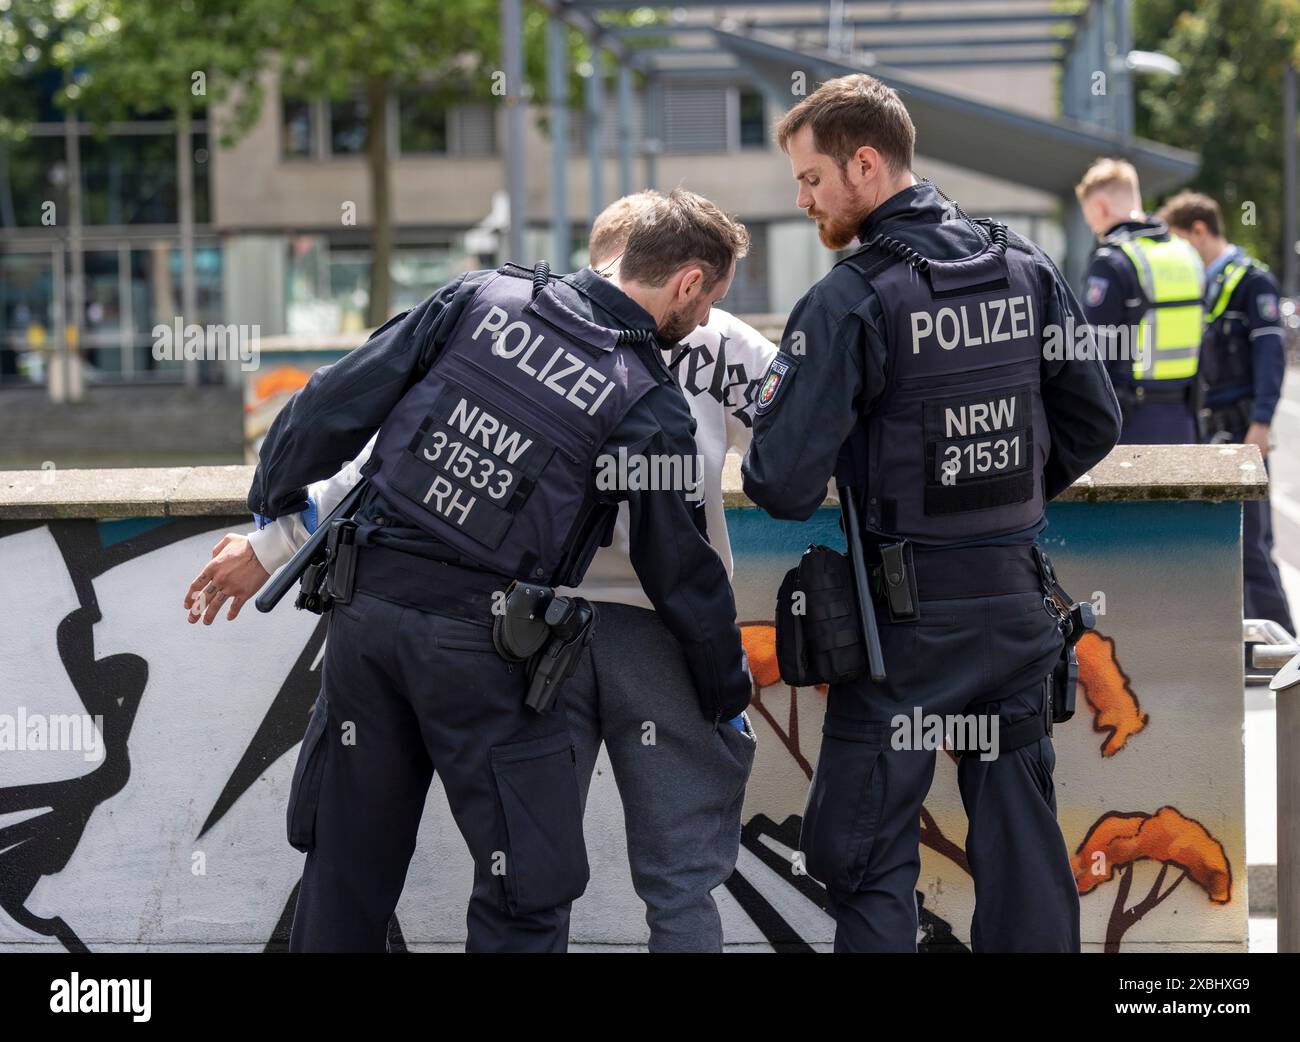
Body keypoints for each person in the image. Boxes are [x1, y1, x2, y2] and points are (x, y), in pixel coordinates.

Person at [200, 190, 774, 952]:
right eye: (707, 304)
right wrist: (723, 684)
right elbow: (677, 569)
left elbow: (326, 408)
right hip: (485, 649)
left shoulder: (483, 295)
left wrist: (272, 516)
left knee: (345, 866)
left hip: (365, 616)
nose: (701, 324)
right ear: (688, 283)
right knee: (524, 890)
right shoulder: (648, 399)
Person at [741, 73, 1122, 952]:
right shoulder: (1024, 265)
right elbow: (1095, 421)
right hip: (1017, 607)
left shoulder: (848, 300)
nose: (803, 201)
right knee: (1026, 859)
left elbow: (781, 483)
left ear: (865, 165)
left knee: (866, 857)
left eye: (809, 180)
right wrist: (1000, 494)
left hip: (904, 638)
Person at [1159, 190, 1295, 635]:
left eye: (1178, 239)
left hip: (1241, 428)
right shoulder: (1204, 284)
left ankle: (1282, 650)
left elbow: (1270, 358)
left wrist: (1260, 422)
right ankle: (1240, 643)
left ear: (1199, 231)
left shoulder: (1252, 281)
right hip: (1208, 430)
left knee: (1251, 541)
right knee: (1220, 542)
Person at [1075, 158, 1204, 444]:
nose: (1093, 229)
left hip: (1132, 426)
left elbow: (1093, 355)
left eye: (1090, 220)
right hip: (1186, 421)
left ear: (1100, 208)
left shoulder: (1113, 262)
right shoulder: (1186, 254)